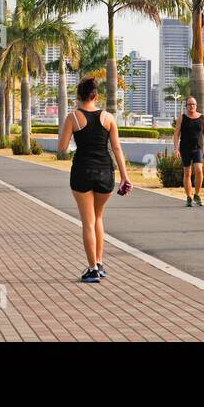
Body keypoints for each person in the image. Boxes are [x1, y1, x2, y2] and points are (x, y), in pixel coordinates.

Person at [56, 77, 132, 283]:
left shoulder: (73, 117)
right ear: (96, 96)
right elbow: (116, 148)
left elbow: (61, 149)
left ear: (79, 96)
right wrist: (125, 177)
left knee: (88, 222)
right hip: (105, 172)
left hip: (82, 171)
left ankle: (92, 270)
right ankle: (99, 263)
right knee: (98, 218)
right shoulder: (108, 117)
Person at [172, 96, 204, 207]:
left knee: (199, 170)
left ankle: (197, 194)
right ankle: (188, 197)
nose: (191, 106)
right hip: (185, 148)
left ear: (196, 106)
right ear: (186, 106)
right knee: (187, 172)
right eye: (189, 104)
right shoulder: (182, 118)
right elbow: (176, 134)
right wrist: (176, 149)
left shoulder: (202, 118)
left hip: (198, 148)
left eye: (193, 104)